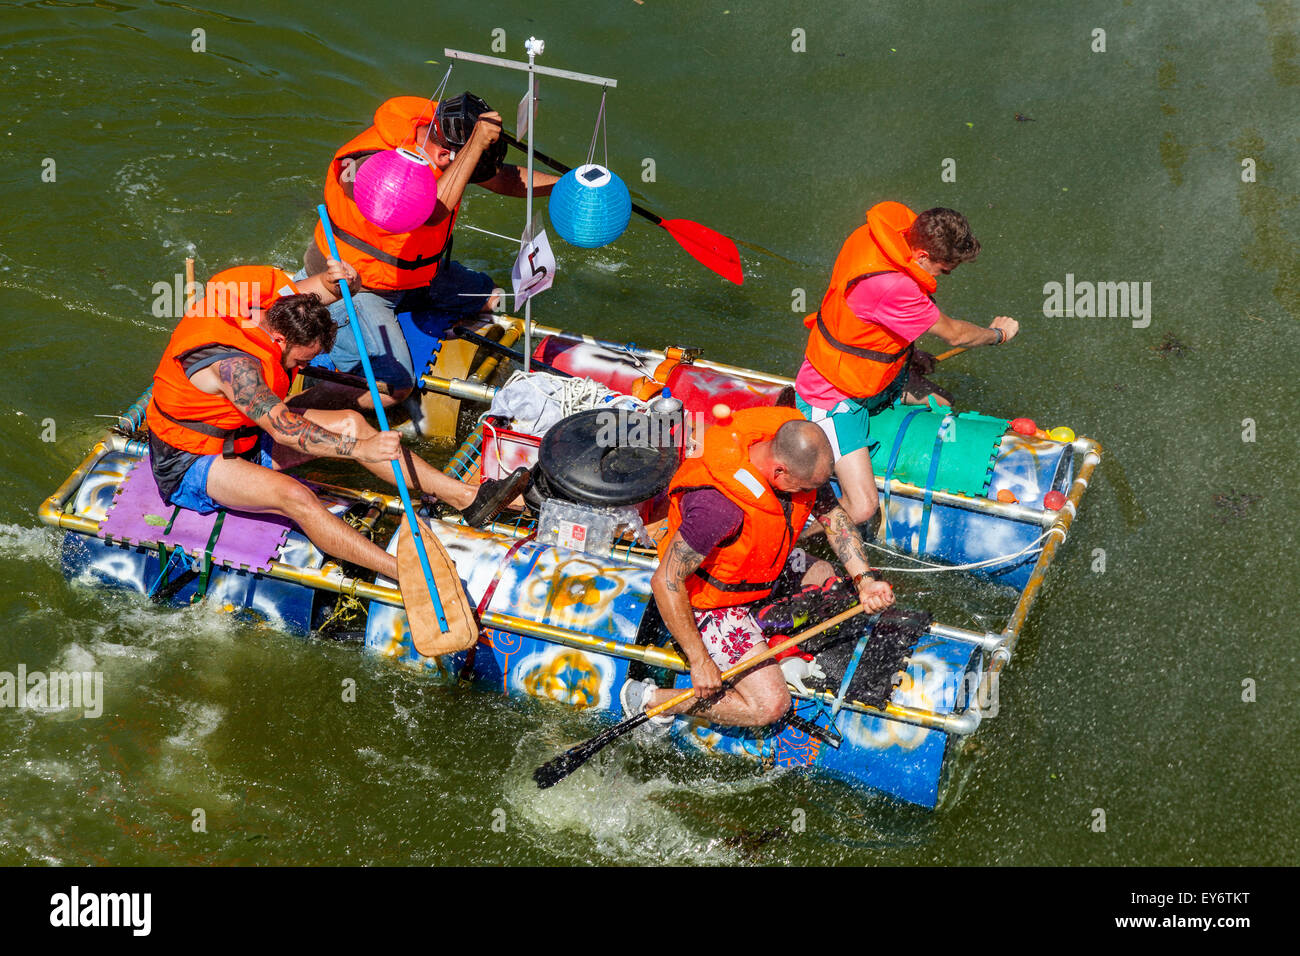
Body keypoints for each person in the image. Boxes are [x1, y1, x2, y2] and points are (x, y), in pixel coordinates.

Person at [145, 263, 530, 580]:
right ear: (279, 340)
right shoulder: (234, 366)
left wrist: (336, 282)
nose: (303, 369)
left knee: (350, 420)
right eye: (300, 361)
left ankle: (465, 497)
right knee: (295, 496)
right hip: (192, 458)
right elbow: (283, 428)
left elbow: (311, 288)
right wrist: (360, 449)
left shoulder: (261, 298)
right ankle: (400, 572)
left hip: (242, 432)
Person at [621, 407, 895, 730]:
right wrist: (700, 661)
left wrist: (864, 580)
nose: (811, 496)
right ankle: (652, 700)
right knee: (771, 705)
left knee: (825, 576)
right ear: (780, 473)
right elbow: (665, 581)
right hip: (711, 600)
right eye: (806, 488)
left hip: (756, 573)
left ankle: (777, 643)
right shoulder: (718, 508)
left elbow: (832, 516)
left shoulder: (791, 457)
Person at [302, 92, 559, 407]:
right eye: (467, 161)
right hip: (357, 285)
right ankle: (303, 406)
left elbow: (501, 178)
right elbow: (427, 211)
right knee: (395, 388)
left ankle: (437, 324)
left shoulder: (442, 139)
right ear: (444, 156)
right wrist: (475, 145)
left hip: (415, 277)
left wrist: (565, 185)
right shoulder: (363, 165)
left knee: (491, 297)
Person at [794, 201, 1022, 526]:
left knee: (942, 403)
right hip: (833, 394)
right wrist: (999, 333)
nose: (946, 277)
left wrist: (908, 355)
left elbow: (867, 319)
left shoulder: (874, 239)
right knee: (862, 508)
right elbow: (955, 334)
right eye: (945, 270)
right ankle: (788, 540)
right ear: (922, 256)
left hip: (871, 373)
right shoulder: (893, 285)